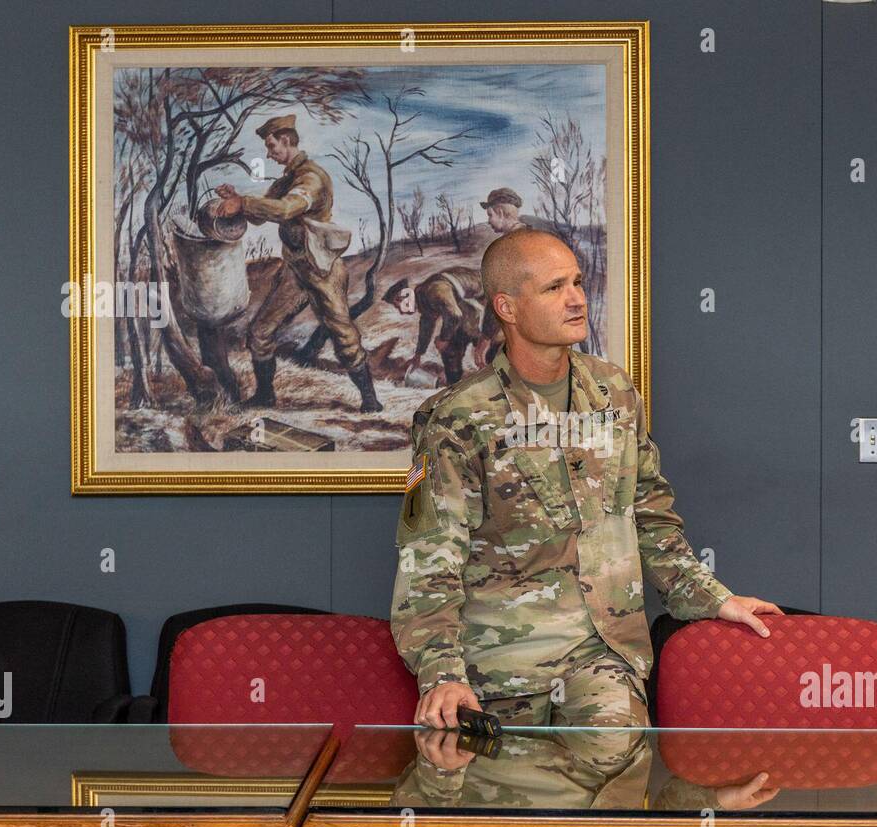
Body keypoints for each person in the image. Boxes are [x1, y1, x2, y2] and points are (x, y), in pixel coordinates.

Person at [391, 229, 782, 733]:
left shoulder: (613, 391)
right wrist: (441, 675)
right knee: (497, 802)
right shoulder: (452, 419)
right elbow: (428, 556)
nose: (577, 298)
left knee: (614, 763)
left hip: (603, 657)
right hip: (496, 671)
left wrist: (711, 597)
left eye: (577, 282)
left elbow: (649, 514)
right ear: (507, 307)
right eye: (555, 288)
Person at [214, 114, 382, 412]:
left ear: (287, 141)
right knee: (260, 331)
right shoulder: (285, 181)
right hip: (294, 271)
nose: (268, 153)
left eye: (271, 146)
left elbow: (286, 208)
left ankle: (370, 401)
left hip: (322, 271)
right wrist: (239, 200)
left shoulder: (311, 178)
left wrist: (245, 203)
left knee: (343, 336)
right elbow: (259, 214)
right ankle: (266, 396)